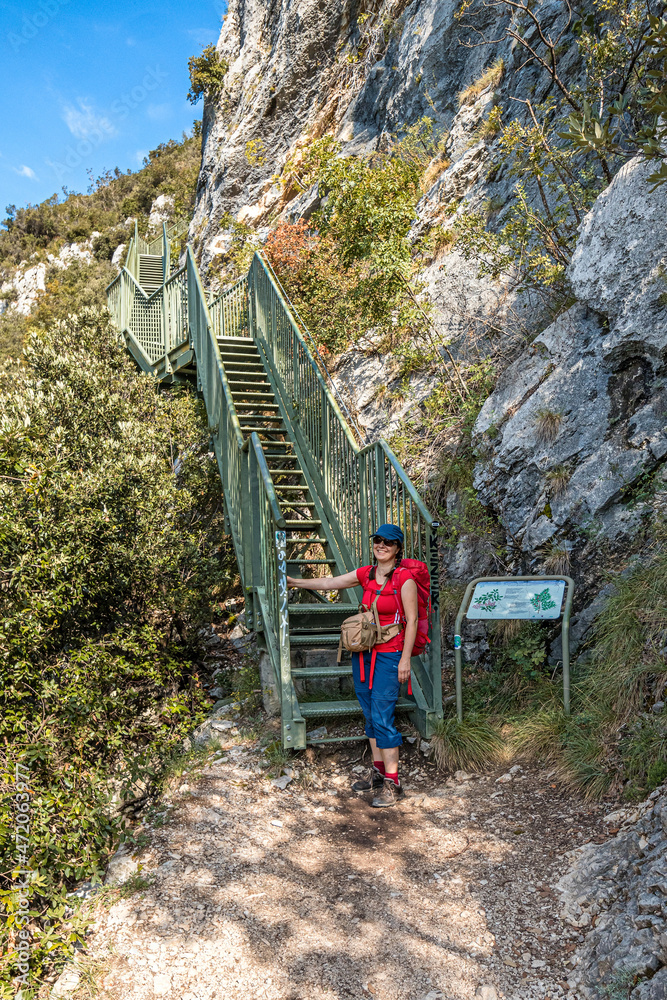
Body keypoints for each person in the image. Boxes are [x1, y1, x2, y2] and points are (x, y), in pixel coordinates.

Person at [286, 523, 418, 807]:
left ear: (398, 548)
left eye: (388, 542)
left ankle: (394, 784)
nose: (381, 545)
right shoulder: (367, 574)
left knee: (383, 715)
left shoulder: (404, 580)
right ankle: (379, 773)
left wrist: (405, 658)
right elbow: (331, 583)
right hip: (363, 653)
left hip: (390, 653)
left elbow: (413, 620)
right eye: (378, 540)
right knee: (370, 713)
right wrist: (296, 583)